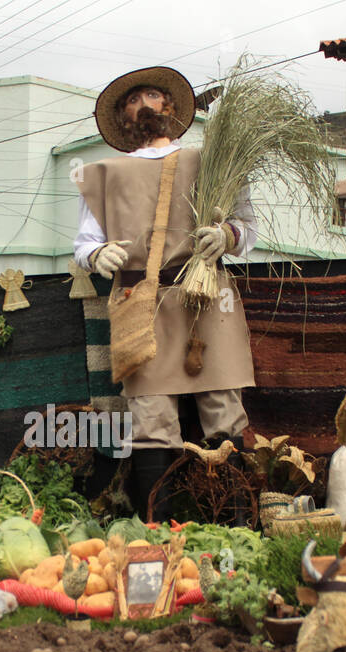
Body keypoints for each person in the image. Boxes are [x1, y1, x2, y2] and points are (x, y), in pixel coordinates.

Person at [73, 66, 257, 521]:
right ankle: (163, 534)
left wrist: (226, 237)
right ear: (123, 118)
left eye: (153, 95)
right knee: (151, 422)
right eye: (132, 100)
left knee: (223, 413)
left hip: (206, 298)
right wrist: (97, 256)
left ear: (170, 108)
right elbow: (83, 242)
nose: (144, 104)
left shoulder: (212, 160)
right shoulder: (103, 174)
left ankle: (236, 528)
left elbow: (247, 226)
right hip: (141, 303)